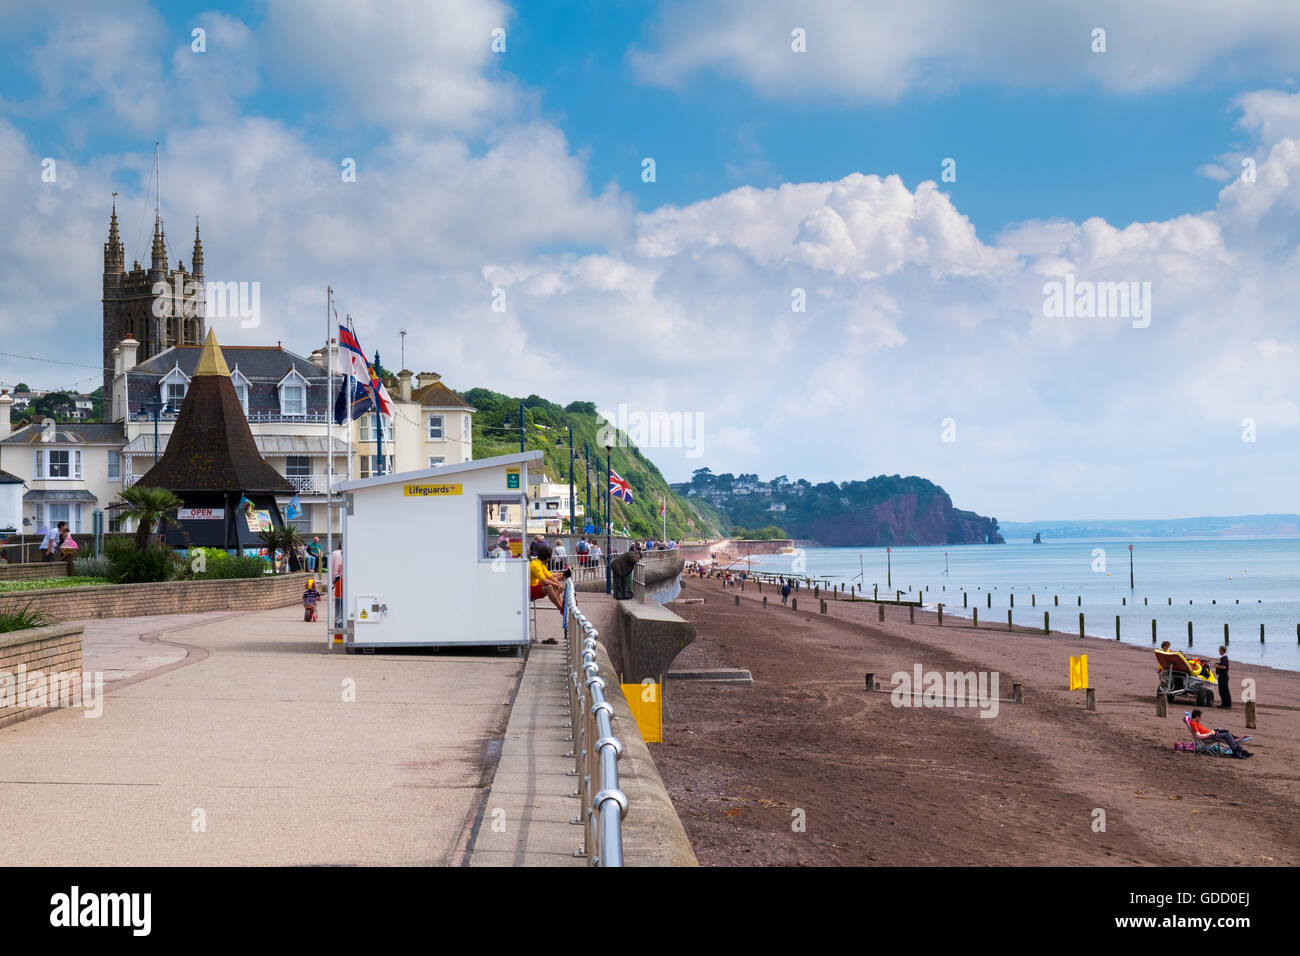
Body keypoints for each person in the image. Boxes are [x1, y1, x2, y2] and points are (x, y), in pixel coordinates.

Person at [528, 545, 566, 642]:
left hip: (534, 587)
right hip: (529, 590)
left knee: (553, 585)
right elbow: (545, 581)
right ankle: (561, 608)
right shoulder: (536, 565)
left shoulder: (540, 563)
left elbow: (550, 576)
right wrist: (558, 585)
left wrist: (558, 584)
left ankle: (562, 605)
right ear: (548, 558)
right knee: (549, 587)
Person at [1187, 709, 1252, 757]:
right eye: (1201, 717)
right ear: (1197, 717)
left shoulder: (1196, 723)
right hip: (1210, 737)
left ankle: (1241, 751)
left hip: (1212, 734)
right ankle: (1238, 752)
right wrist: (1210, 733)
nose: (1201, 718)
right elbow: (1198, 736)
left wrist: (1214, 731)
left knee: (1227, 733)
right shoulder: (1193, 724)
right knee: (1227, 735)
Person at [331, 546, 344, 621]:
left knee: (339, 601)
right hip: (348, 579)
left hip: (339, 578)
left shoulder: (335, 553)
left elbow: (333, 568)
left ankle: (338, 621)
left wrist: (333, 579)